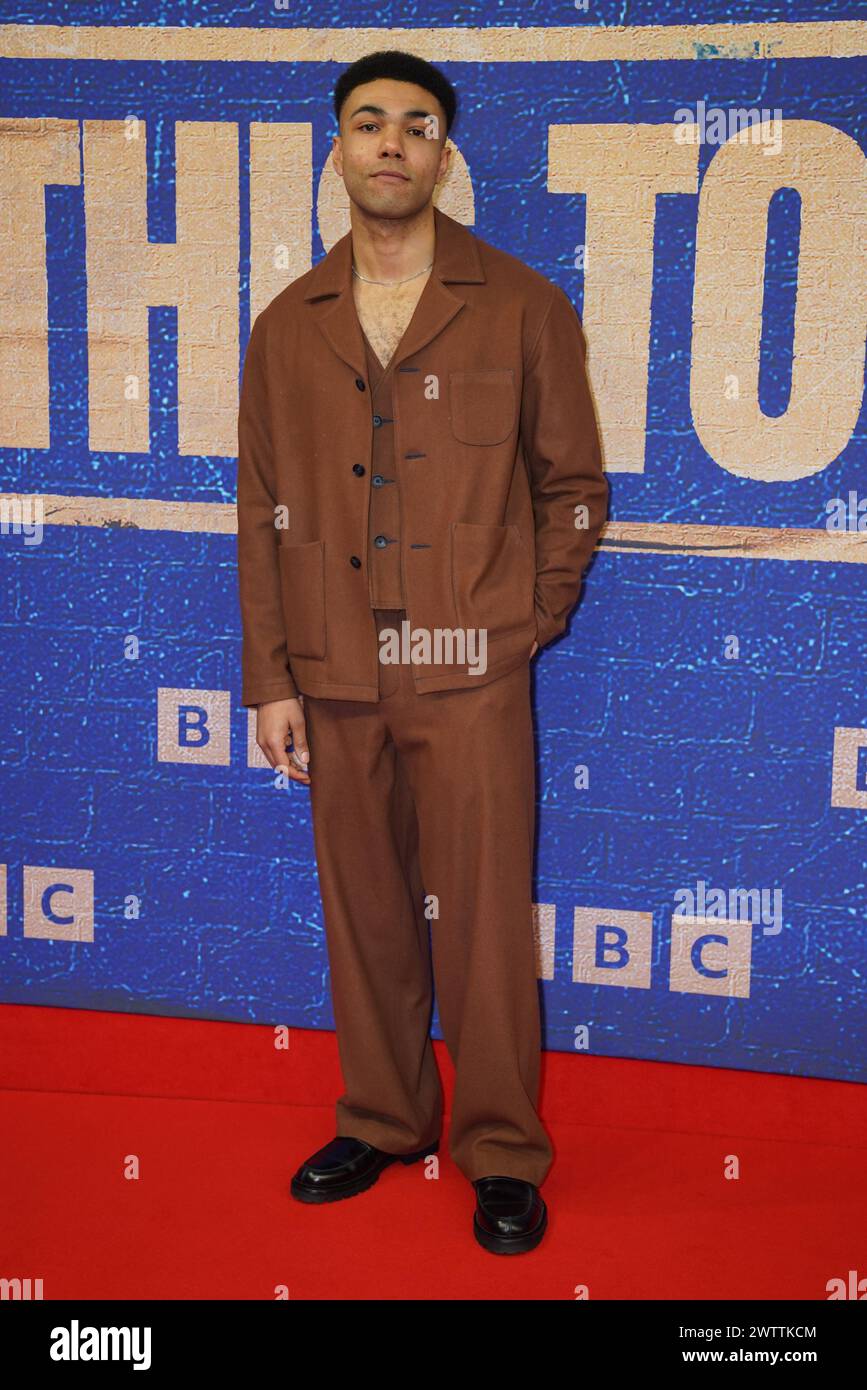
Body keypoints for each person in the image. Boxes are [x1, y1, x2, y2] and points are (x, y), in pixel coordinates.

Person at [236, 49, 608, 1255]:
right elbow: (259, 507)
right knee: (370, 918)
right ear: (337, 148)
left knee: (487, 926)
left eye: (416, 124)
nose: (391, 142)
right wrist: (272, 677)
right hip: (333, 675)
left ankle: (501, 1149)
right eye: (367, 122)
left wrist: (527, 617)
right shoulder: (285, 327)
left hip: (473, 672)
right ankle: (386, 1118)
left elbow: (575, 488)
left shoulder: (522, 304)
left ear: (444, 152)